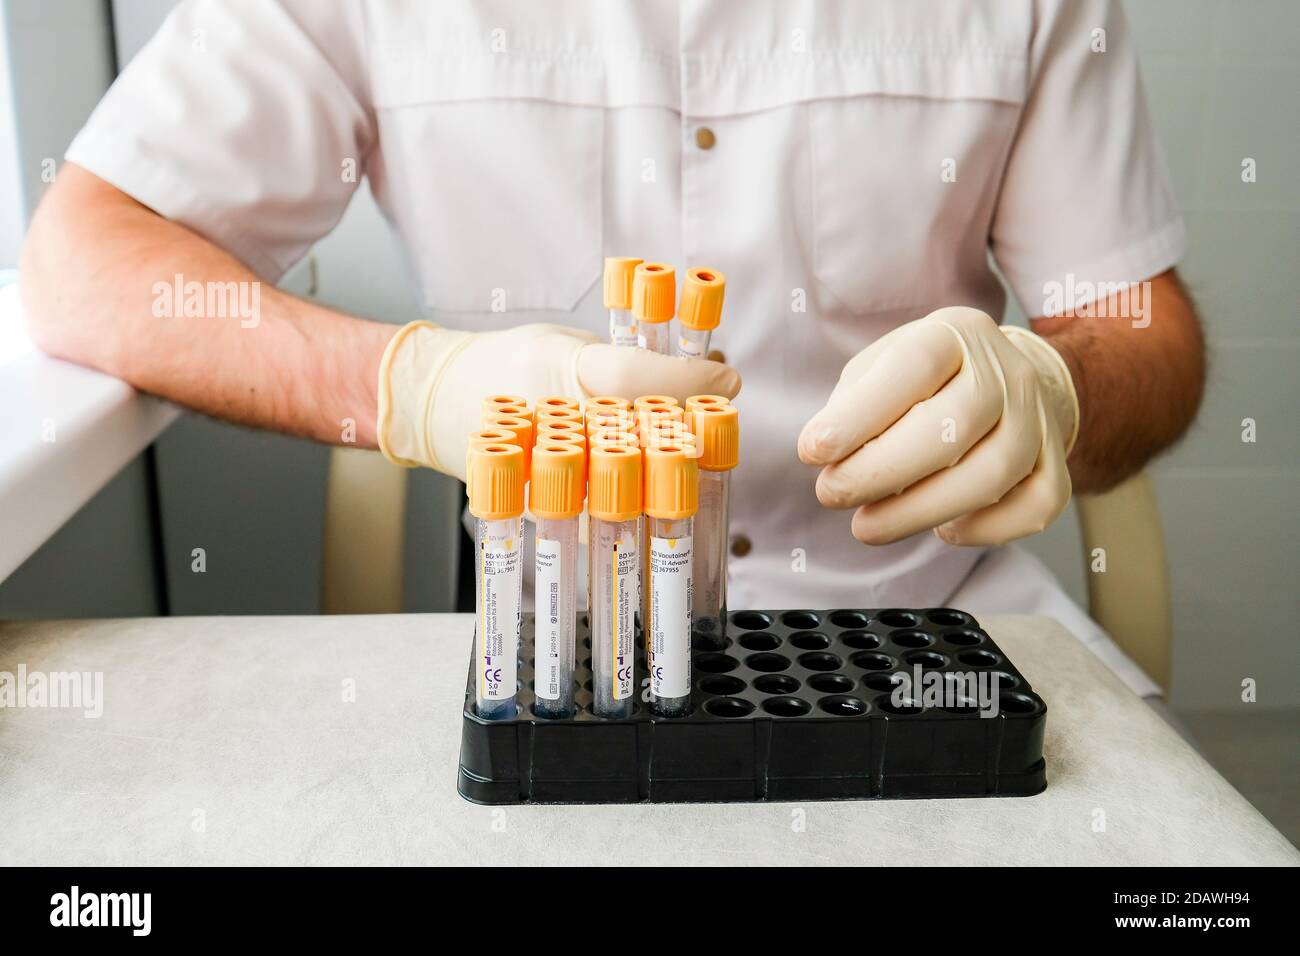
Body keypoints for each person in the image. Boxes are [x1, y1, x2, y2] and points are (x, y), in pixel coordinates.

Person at [20, 0, 1204, 697]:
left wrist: (1054, 384)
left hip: (929, 609)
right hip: (556, 634)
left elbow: (1140, 329)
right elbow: (85, 256)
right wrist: (409, 385)